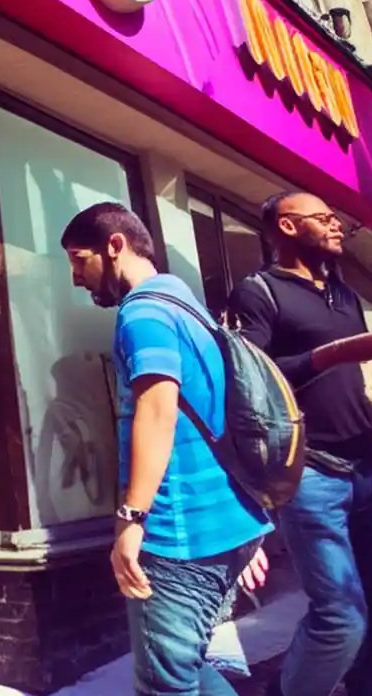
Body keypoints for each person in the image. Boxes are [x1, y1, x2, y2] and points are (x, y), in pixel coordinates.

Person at [60, 202, 271, 695]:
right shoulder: (185, 301)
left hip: (180, 532)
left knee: (166, 683)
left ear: (115, 246)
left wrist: (132, 519)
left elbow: (158, 412)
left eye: (79, 259)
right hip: (228, 523)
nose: (75, 277)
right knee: (185, 668)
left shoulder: (143, 313)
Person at [229, 191, 372, 696]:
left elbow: (351, 368)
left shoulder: (343, 292)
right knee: (341, 618)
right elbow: (251, 382)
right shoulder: (258, 292)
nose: (337, 225)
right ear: (288, 227)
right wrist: (336, 352)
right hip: (312, 473)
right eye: (323, 218)